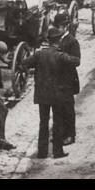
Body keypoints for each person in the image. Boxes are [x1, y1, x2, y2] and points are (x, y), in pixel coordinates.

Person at [34, 27, 75, 159]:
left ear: (48, 40)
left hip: (42, 95)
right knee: (57, 122)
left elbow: (24, 63)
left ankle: (42, 152)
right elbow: (75, 61)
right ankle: (57, 152)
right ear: (58, 41)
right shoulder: (60, 55)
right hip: (57, 95)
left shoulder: (39, 54)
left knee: (43, 122)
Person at [52, 10, 82, 145]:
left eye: (59, 27)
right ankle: (60, 133)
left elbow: (77, 60)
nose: (57, 29)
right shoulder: (55, 39)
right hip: (56, 79)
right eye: (56, 27)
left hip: (68, 80)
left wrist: (62, 57)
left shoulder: (72, 41)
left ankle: (70, 135)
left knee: (68, 109)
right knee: (57, 108)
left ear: (65, 27)